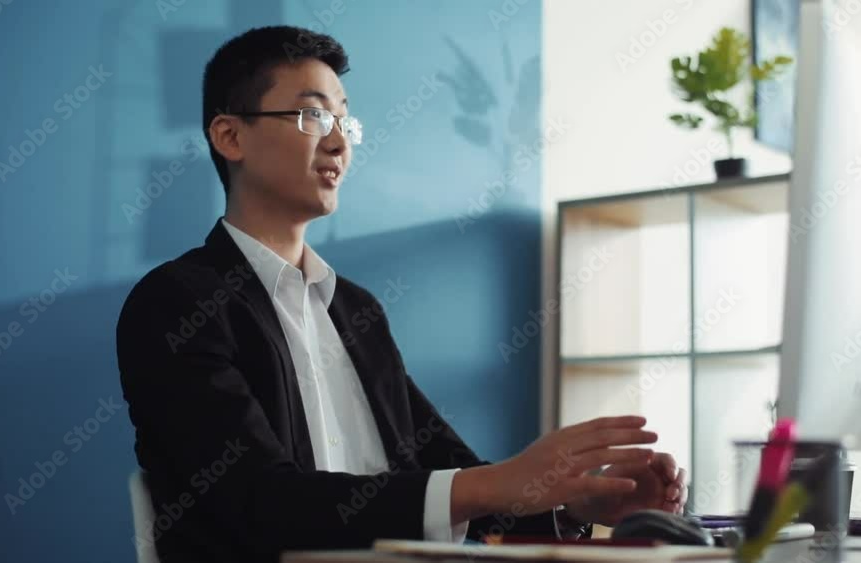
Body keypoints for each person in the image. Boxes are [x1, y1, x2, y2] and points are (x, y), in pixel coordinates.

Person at [116, 25, 687, 562]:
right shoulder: (177, 303)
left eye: (346, 120)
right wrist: (499, 481)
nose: (340, 141)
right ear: (230, 135)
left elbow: (453, 481)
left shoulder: (356, 310)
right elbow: (259, 504)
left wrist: (573, 501)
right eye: (313, 115)